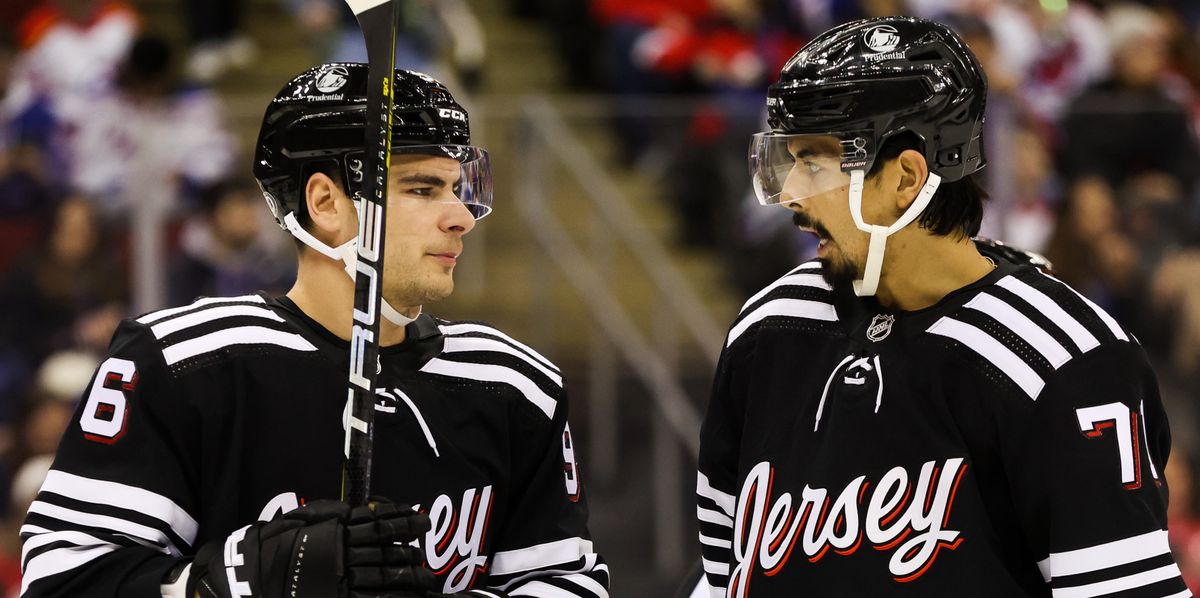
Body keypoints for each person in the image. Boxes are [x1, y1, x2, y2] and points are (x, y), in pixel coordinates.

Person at [20, 63, 609, 598]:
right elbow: (63, 582)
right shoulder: (180, 362)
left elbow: (568, 582)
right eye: (423, 189)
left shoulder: (512, 382)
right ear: (326, 203)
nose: (459, 217)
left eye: (458, 189)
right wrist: (231, 583)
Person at [694, 16, 1188, 597]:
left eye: (816, 163)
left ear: (906, 176)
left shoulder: (1067, 359)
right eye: (788, 161)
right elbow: (720, 576)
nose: (794, 196)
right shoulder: (769, 326)